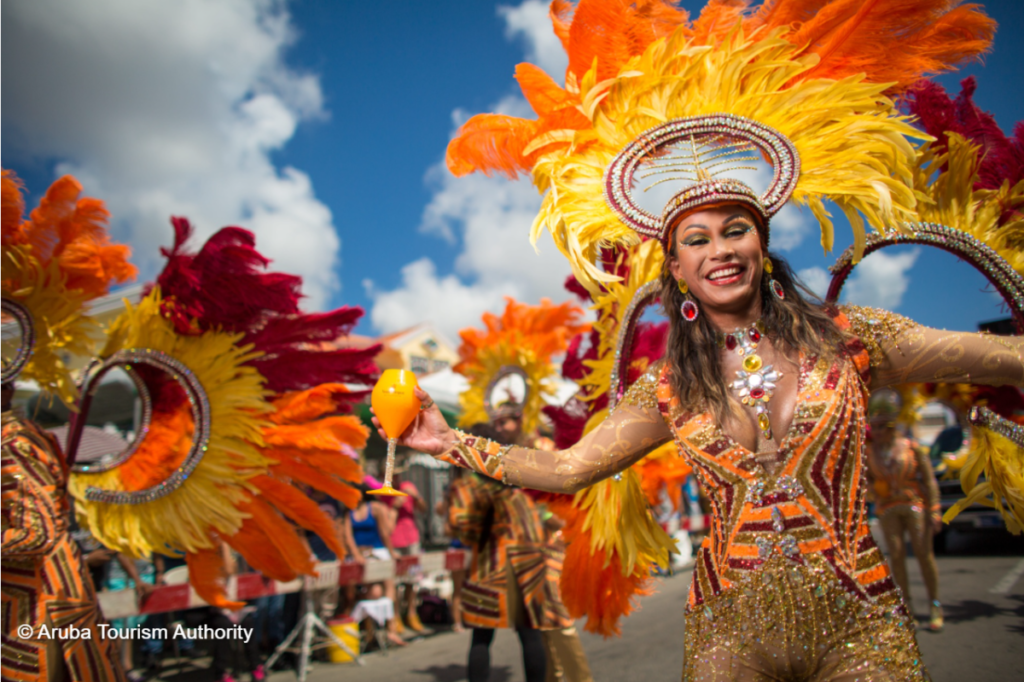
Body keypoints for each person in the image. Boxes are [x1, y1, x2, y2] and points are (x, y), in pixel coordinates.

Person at [442, 423, 574, 682]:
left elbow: (459, 528)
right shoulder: (512, 471)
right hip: (525, 563)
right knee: (529, 634)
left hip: (488, 564)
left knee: (481, 637)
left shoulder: (467, 482)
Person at [865, 391, 943, 631]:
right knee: (896, 555)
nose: (876, 432)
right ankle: (906, 606)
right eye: (873, 427)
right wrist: (874, 490)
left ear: (892, 427)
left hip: (914, 504)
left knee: (923, 553)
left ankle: (934, 604)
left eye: (881, 427)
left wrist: (935, 510)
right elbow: (864, 483)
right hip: (888, 509)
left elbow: (929, 481)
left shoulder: (911, 447)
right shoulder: (870, 454)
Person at [343, 492, 405, 647]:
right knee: (367, 593)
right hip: (359, 556)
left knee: (388, 589)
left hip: (378, 552)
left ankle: (392, 629)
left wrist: (391, 552)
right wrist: (356, 554)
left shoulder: (375, 508)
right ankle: (368, 632)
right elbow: (348, 536)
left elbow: (384, 532)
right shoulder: (348, 511)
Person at [389, 470, 429, 633]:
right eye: (393, 475)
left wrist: (416, 497)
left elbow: (424, 509)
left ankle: (411, 614)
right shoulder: (384, 492)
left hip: (412, 539)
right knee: (396, 582)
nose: (397, 478)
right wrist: (395, 506)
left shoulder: (408, 487)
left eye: (398, 474)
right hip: (394, 541)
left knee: (412, 579)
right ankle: (396, 616)